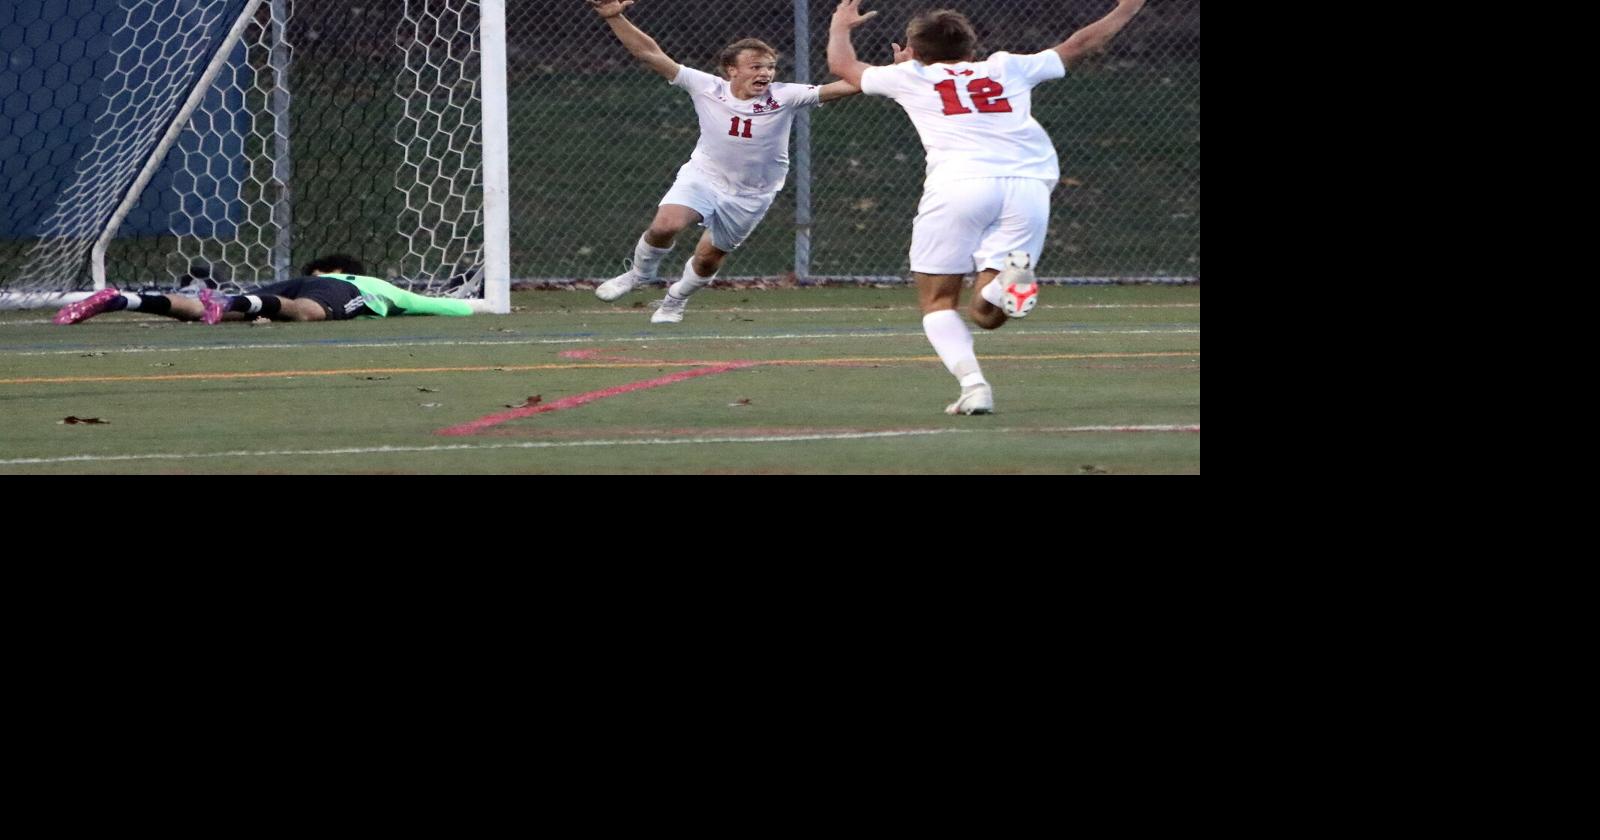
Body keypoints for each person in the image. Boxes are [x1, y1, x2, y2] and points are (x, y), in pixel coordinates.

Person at [827, 0, 1145, 414]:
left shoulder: (908, 76)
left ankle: (974, 385)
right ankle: (1002, 285)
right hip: (1027, 188)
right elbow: (1081, 43)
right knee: (987, 313)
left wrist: (840, 26)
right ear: (971, 47)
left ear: (914, 49)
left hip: (959, 186)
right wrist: (1126, 7)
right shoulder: (1006, 66)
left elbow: (842, 66)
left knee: (938, 302)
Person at [587, 0, 859, 323]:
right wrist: (614, 17)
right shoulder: (706, 87)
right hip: (703, 175)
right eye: (756, 66)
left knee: (706, 259)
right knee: (665, 225)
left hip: (751, 194)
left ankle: (675, 299)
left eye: (770, 66)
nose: (765, 73)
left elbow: (848, 86)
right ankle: (639, 274)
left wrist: (899, 74)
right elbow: (649, 54)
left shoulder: (785, 95)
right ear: (733, 69)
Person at [53, 254, 489, 325]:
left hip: (271, 294)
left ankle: (122, 299)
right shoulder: (371, 285)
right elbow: (438, 307)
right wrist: (475, 306)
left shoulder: (304, 280)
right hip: (312, 295)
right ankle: (230, 300)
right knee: (305, 312)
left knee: (223, 309)